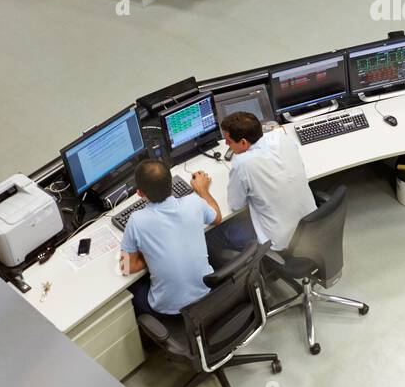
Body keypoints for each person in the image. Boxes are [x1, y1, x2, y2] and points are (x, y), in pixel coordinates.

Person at [119, 158, 221, 320]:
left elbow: (126, 267)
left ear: (140, 193)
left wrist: (152, 255)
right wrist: (203, 190)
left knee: (134, 291)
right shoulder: (194, 202)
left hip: (172, 313)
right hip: (207, 297)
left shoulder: (136, 221)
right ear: (171, 183)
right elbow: (217, 217)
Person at [205, 111, 315, 259]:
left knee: (213, 234)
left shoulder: (243, 164)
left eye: (229, 141)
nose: (226, 144)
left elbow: (236, 205)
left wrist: (203, 190)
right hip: (311, 224)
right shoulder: (281, 137)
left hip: (279, 240)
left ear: (243, 142)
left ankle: (248, 273)